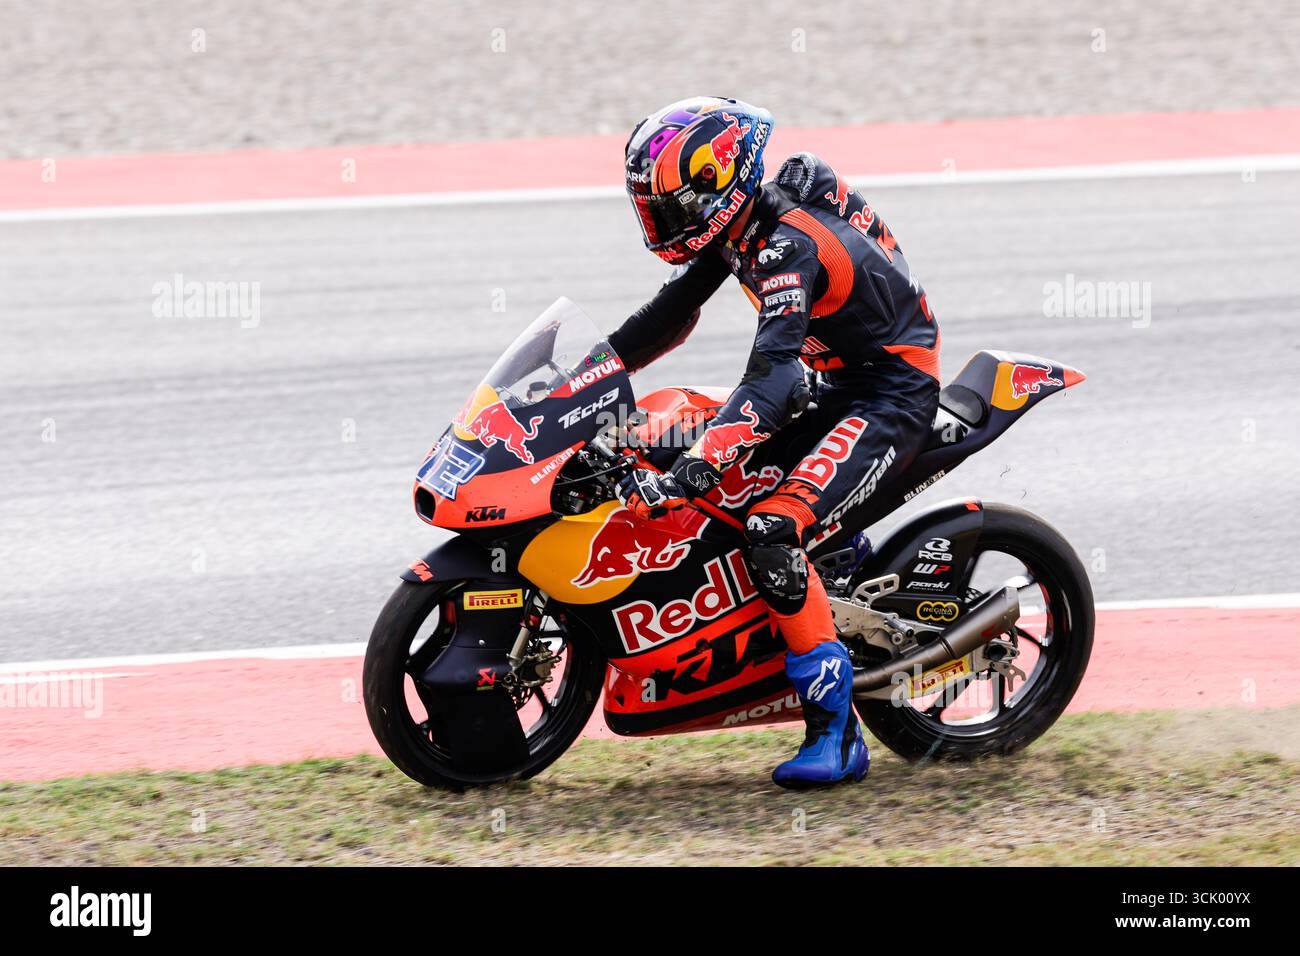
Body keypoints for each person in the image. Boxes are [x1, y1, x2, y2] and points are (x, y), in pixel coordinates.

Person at [608, 97, 942, 789]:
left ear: (718, 182)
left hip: (889, 396)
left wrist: (700, 466)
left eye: (670, 205)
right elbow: (672, 312)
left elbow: (775, 383)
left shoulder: (786, 246)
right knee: (664, 438)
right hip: (837, 384)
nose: (662, 221)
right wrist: (586, 375)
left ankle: (837, 734)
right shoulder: (739, 224)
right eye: (653, 207)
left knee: (769, 526)